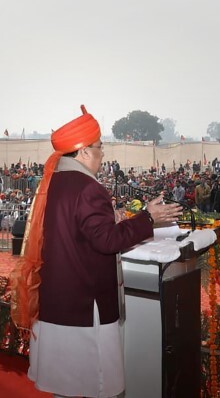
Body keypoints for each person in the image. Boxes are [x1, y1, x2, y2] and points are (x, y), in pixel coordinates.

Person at [11, 106, 182, 398]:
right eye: (99, 147)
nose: (103, 155)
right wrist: (149, 219)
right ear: (82, 152)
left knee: (64, 385)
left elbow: (81, 233)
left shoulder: (54, 183)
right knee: (91, 383)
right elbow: (106, 241)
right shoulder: (89, 188)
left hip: (57, 299)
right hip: (84, 302)